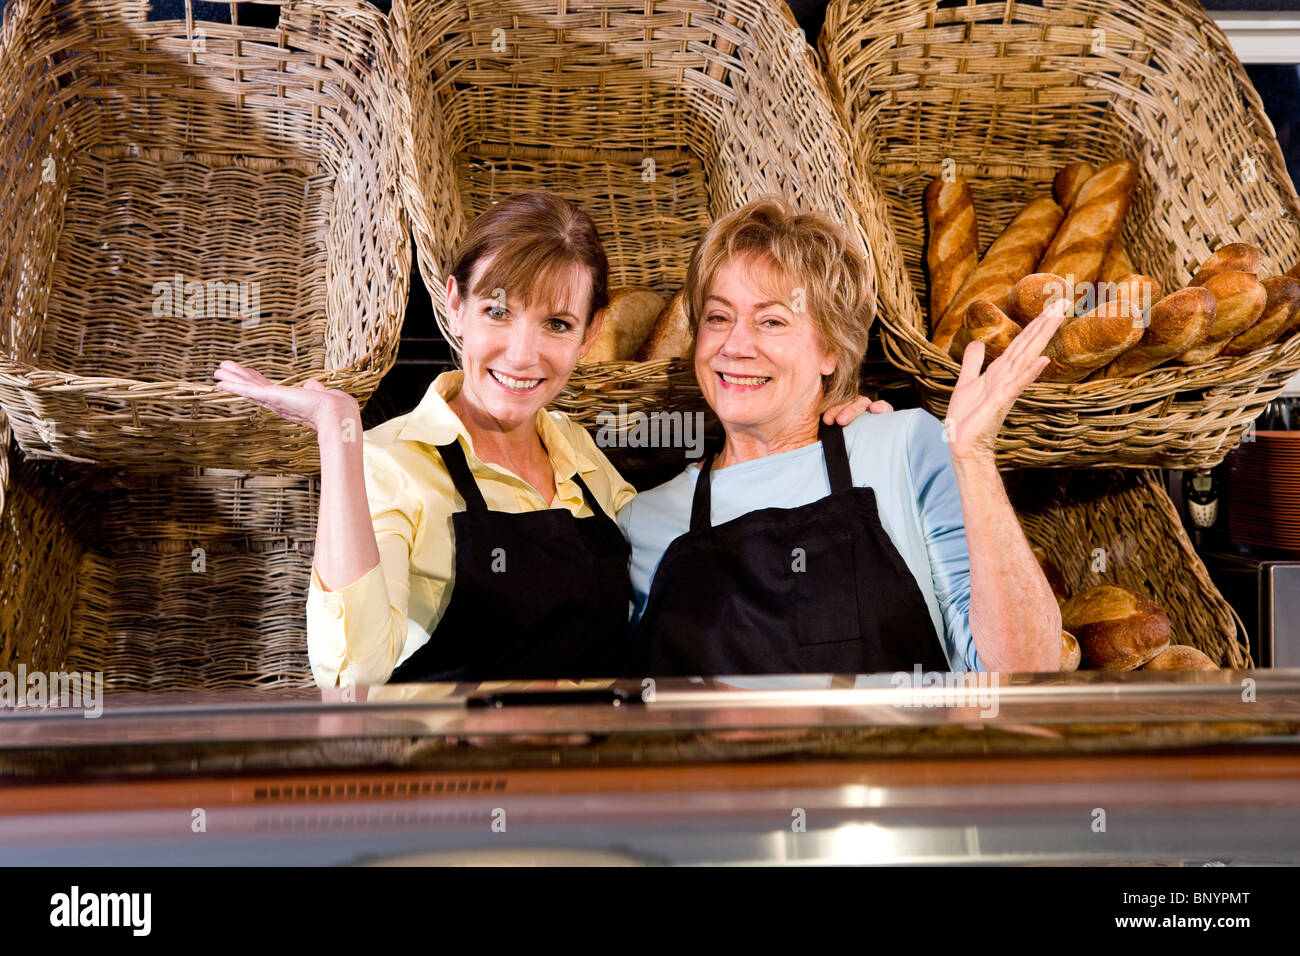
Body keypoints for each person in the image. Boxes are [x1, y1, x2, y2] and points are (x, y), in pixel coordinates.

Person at [213, 191, 889, 688]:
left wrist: (820, 435)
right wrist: (339, 435)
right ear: (453, 302)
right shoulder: (391, 466)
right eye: (497, 311)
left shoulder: (578, 455)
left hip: (589, 802)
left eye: (557, 325)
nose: (523, 353)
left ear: (592, 334)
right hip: (456, 805)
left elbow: (690, 558)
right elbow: (350, 676)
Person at [618, 195, 1065, 676]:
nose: (735, 345)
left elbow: (1023, 670)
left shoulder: (905, 448)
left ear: (830, 349)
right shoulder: (644, 522)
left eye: (771, 321)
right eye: (718, 317)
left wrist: (973, 454)